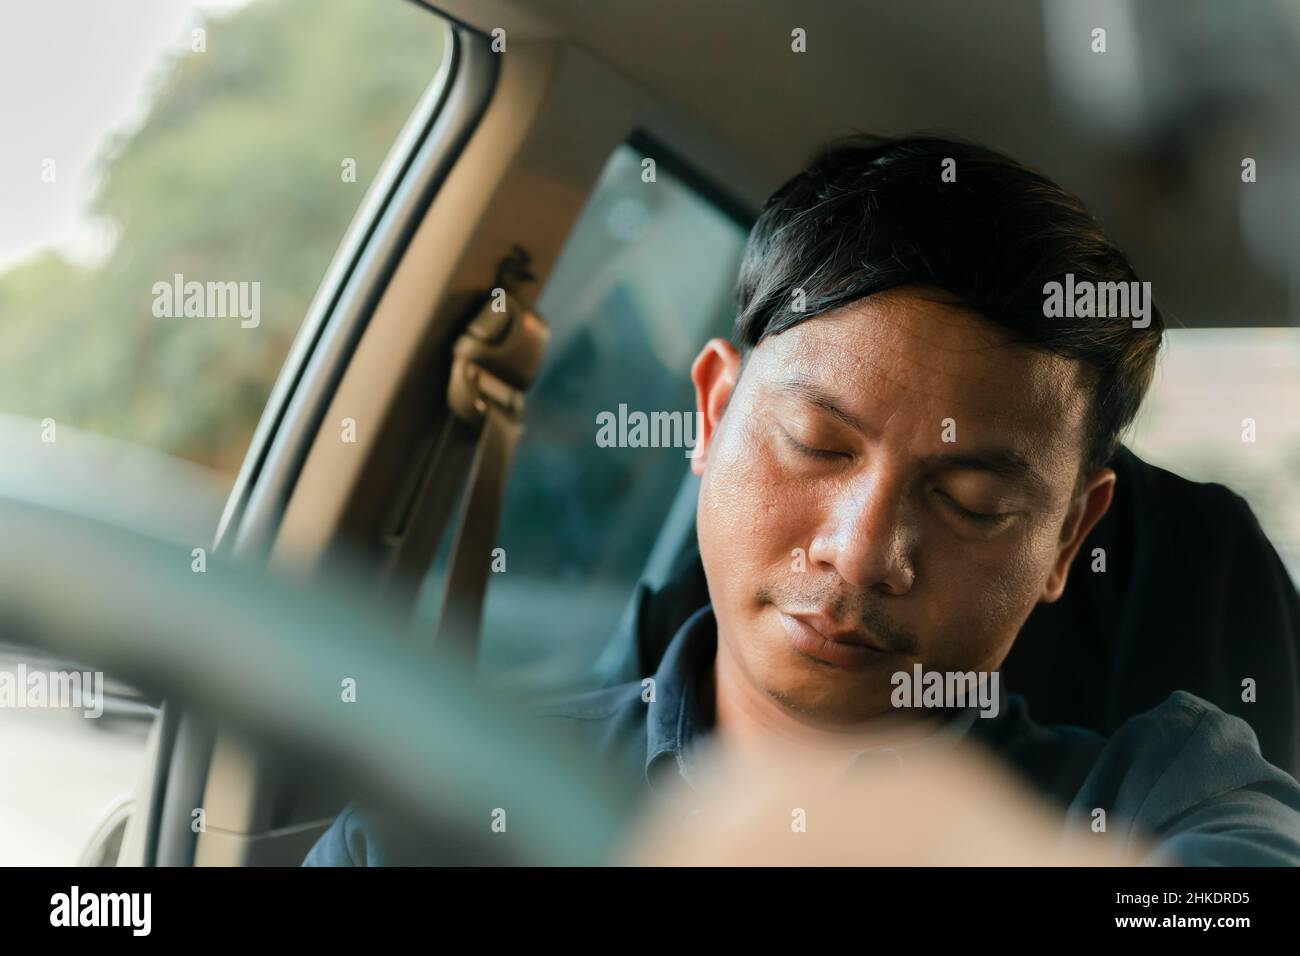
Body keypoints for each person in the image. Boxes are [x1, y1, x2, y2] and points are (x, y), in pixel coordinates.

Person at [305, 136, 1300, 866]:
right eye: (817, 445)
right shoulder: (442, 811)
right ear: (710, 409)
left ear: (1064, 539)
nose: (862, 552)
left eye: (968, 500)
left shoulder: (1157, 793)